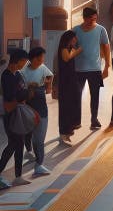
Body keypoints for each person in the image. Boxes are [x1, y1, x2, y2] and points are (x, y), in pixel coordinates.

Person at [73, 6, 111, 130]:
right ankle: (76, 120)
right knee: (76, 94)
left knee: (95, 95)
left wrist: (107, 66)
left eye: (95, 19)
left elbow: (106, 47)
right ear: (84, 18)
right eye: (90, 19)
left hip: (96, 69)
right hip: (78, 69)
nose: (92, 22)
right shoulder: (75, 30)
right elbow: (69, 48)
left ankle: (94, 119)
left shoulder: (101, 30)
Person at [0, 49, 31, 188]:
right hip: (10, 114)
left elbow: (21, 91)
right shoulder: (6, 76)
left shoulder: (18, 74)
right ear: (17, 60)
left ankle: (18, 176)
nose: (25, 63)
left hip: (18, 112)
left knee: (19, 144)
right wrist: (22, 96)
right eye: (24, 61)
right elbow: (10, 97)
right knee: (14, 144)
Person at [22, 47, 52, 176]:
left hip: (41, 104)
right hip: (28, 104)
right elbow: (21, 90)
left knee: (39, 136)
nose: (42, 61)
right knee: (31, 132)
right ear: (33, 59)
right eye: (39, 59)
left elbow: (50, 75)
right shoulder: (23, 71)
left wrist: (48, 85)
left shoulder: (42, 67)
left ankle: (37, 162)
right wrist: (30, 88)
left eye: (42, 59)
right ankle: (35, 159)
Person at [54, 30, 81, 145]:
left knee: (73, 104)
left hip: (72, 81)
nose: (76, 40)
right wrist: (77, 50)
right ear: (69, 39)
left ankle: (69, 129)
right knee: (65, 107)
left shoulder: (70, 48)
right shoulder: (64, 49)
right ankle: (64, 132)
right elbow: (67, 58)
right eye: (74, 38)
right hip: (65, 83)